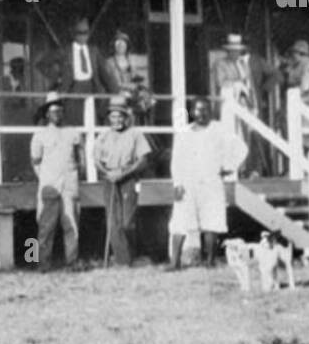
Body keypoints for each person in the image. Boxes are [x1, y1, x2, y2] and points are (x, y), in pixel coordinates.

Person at [169, 97, 247, 269]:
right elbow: (177, 161)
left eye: (205, 109)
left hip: (211, 181)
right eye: (197, 109)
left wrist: (229, 167)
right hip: (187, 182)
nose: (201, 113)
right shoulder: (184, 133)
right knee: (179, 220)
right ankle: (174, 263)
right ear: (192, 112)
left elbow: (241, 148)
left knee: (211, 221)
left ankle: (210, 261)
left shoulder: (219, 130)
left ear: (210, 111)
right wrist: (177, 184)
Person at [94, 95, 152, 266]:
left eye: (120, 116)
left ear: (126, 117)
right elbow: (97, 161)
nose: (117, 120)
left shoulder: (135, 134)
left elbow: (143, 160)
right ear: (108, 118)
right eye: (113, 116)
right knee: (113, 221)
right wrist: (108, 173)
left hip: (129, 179)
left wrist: (124, 173)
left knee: (127, 222)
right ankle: (122, 261)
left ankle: (131, 256)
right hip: (110, 179)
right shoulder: (102, 136)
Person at [30, 91, 84, 271]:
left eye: (60, 111)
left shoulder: (73, 133)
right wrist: (46, 178)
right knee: (45, 226)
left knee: (72, 224)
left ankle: (72, 261)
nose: (57, 114)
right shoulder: (39, 135)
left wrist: (73, 176)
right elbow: (36, 162)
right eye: (53, 111)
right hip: (49, 185)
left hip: (69, 183)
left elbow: (80, 159)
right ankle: (41, 262)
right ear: (46, 114)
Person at [37, 17, 119, 123]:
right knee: (73, 122)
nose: (83, 36)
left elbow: (105, 74)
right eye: (80, 33)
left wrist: (115, 91)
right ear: (73, 34)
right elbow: (42, 64)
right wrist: (57, 78)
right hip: (72, 90)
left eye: (86, 33)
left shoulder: (94, 51)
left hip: (91, 89)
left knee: (92, 122)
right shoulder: (65, 51)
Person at [211, 32, 268, 176]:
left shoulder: (242, 64)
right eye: (232, 50)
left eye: (237, 50)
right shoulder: (220, 63)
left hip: (242, 104)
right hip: (227, 104)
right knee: (228, 134)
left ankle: (244, 169)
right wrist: (237, 85)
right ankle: (228, 168)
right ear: (228, 50)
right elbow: (220, 82)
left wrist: (252, 103)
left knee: (245, 136)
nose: (235, 53)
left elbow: (249, 85)